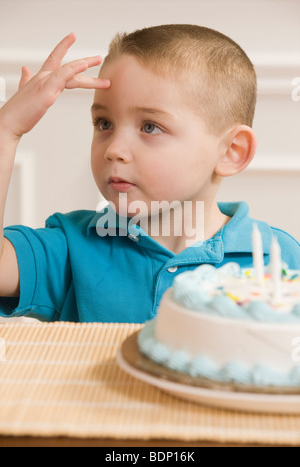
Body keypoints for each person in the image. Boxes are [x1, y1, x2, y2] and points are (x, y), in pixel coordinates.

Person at [0, 25, 299, 323]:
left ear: (231, 151)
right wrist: (6, 130)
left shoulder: (281, 259)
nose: (114, 149)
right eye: (104, 123)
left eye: (150, 127)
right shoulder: (70, 248)